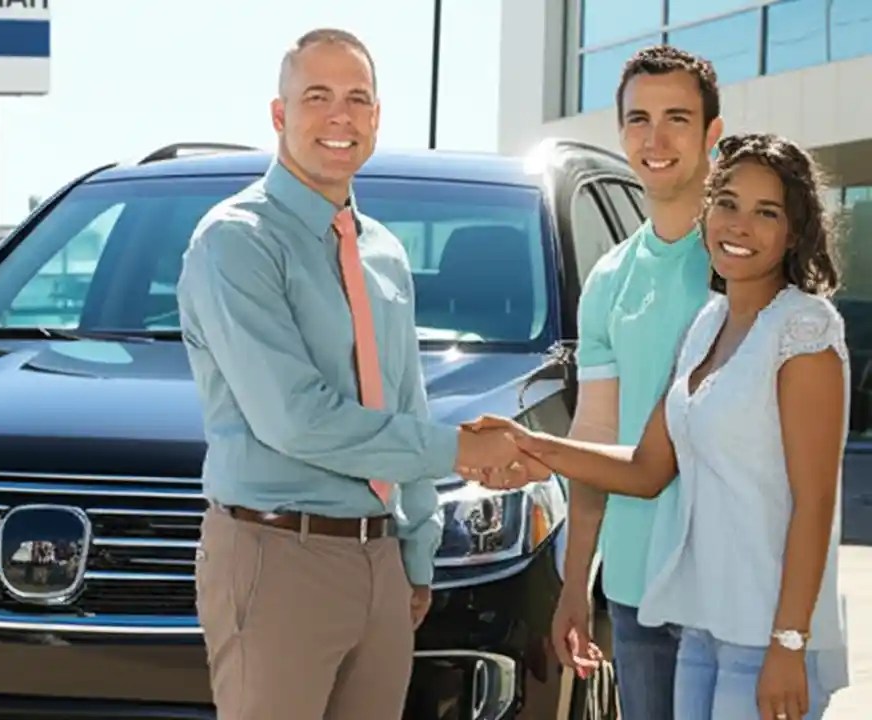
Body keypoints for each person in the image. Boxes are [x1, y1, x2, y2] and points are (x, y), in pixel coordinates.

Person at [175, 27, 525, 720]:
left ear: (376, 118)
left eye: (357, 98)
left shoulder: (385, 254)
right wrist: (463, 451)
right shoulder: (236, 242)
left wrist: (415, 554)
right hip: (276, 555)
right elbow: (297, 419)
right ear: (280, 116)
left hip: (380, 564)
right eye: (318, 96)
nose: (341, 116)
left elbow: (405, 400)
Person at [469, 132, 850, 720]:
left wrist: (788, 644)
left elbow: (815, 502)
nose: (740, 225)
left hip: (765, 634)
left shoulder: (804, 331)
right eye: (727, 204)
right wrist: (532, 445)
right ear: (707, 213)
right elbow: (648, 469)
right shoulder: (707, 325)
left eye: (766, 212)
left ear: (794, 231)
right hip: (700, 624)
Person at [553, 44, 725, 718]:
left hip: (733, 590)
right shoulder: (609, 280)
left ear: (713, 133)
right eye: (637, 120)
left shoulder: (749, 255)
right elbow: (594, 433)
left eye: (676, 118)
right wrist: (575, 584)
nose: (655, 139)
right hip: (635, 590)